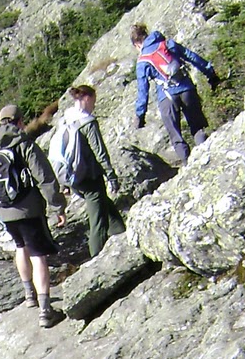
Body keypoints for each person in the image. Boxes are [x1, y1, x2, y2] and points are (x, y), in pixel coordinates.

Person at [0, 103, 67, 327]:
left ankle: (29, 296)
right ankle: (45, 311)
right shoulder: (24, 145)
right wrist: (57, 206)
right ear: (20, 122)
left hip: (4, 211)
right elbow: (45, 177)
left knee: (20, 247)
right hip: (29, 209)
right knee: (38, 255)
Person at [131, 24, 219, 164]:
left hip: (166, 97)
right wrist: (210, 74)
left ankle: (187, 164)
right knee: (197, 127)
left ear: (137, 44)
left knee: (176, 135)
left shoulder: (142, 61)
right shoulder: (167, 44)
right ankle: (207, 156)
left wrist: (140, 116)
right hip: (186, 89)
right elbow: (192, 57)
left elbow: (143, 91)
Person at [64, 84, 125, 259]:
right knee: (98, 221)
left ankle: (121, 234)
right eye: (93, 101)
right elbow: (100, 152)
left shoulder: (67, 118)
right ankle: (96, 258)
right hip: (90, 176)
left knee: (105, 207)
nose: (94, 105)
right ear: (87, 98)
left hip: (74, 177)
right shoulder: (87, 122)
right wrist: (111, 175)